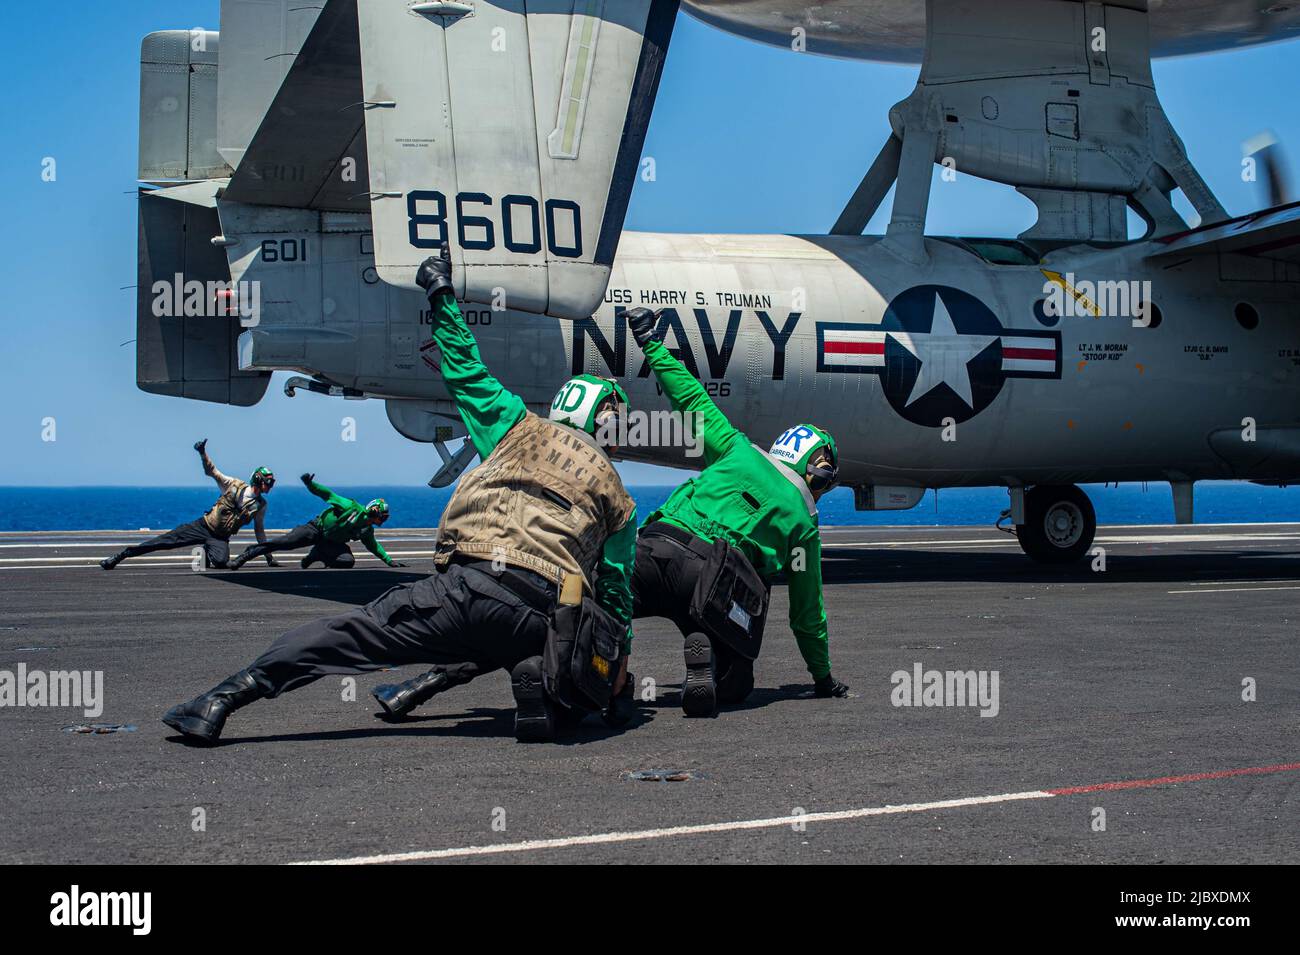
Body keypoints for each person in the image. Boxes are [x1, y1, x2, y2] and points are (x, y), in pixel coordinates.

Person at [162, 247, 638, 745]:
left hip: (469, 588)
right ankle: (538, 683)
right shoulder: (618, 496)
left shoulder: (514, 423)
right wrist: (617, 675)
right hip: (540, 615)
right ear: (605, 423)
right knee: (552, 646)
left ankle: (222, 700)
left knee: (352, 635)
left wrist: (440, 292)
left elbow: (463, 365)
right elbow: (617, 595)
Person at [624, 306, 850, 717]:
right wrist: (822, 678)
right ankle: (709, 660)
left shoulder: (736, 448)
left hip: (659, 546)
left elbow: (689, 397)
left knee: (608, 602)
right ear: (818, 474)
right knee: (737, 682)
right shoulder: (803, 523)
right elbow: (806, 614)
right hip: (710, 581)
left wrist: (651, 343)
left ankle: (604, 673)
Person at [100, 440, 275, 571]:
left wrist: (269, 556)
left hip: (220, 537)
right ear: (258, 480)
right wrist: (202, 453)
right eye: (268, 482)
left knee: (221, 563)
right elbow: (212, 471)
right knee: (165, 541)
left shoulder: (260, 506)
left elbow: (259, 530)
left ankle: (205, 550)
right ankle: (121, 556)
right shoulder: (233, 485)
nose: (269, 486)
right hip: (203, 526)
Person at [228, 475, 406, 570]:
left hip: (331, 542)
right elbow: (328, 495)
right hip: (316, 529)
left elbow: (374, 546)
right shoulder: (352, 507)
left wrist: (389, 561)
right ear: (374, 511)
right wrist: (310, 484)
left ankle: (316, 554)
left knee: (347, 562)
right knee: (283, 543)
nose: (383, 519)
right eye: (383, 515)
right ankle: (246, 555)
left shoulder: (367, 531)